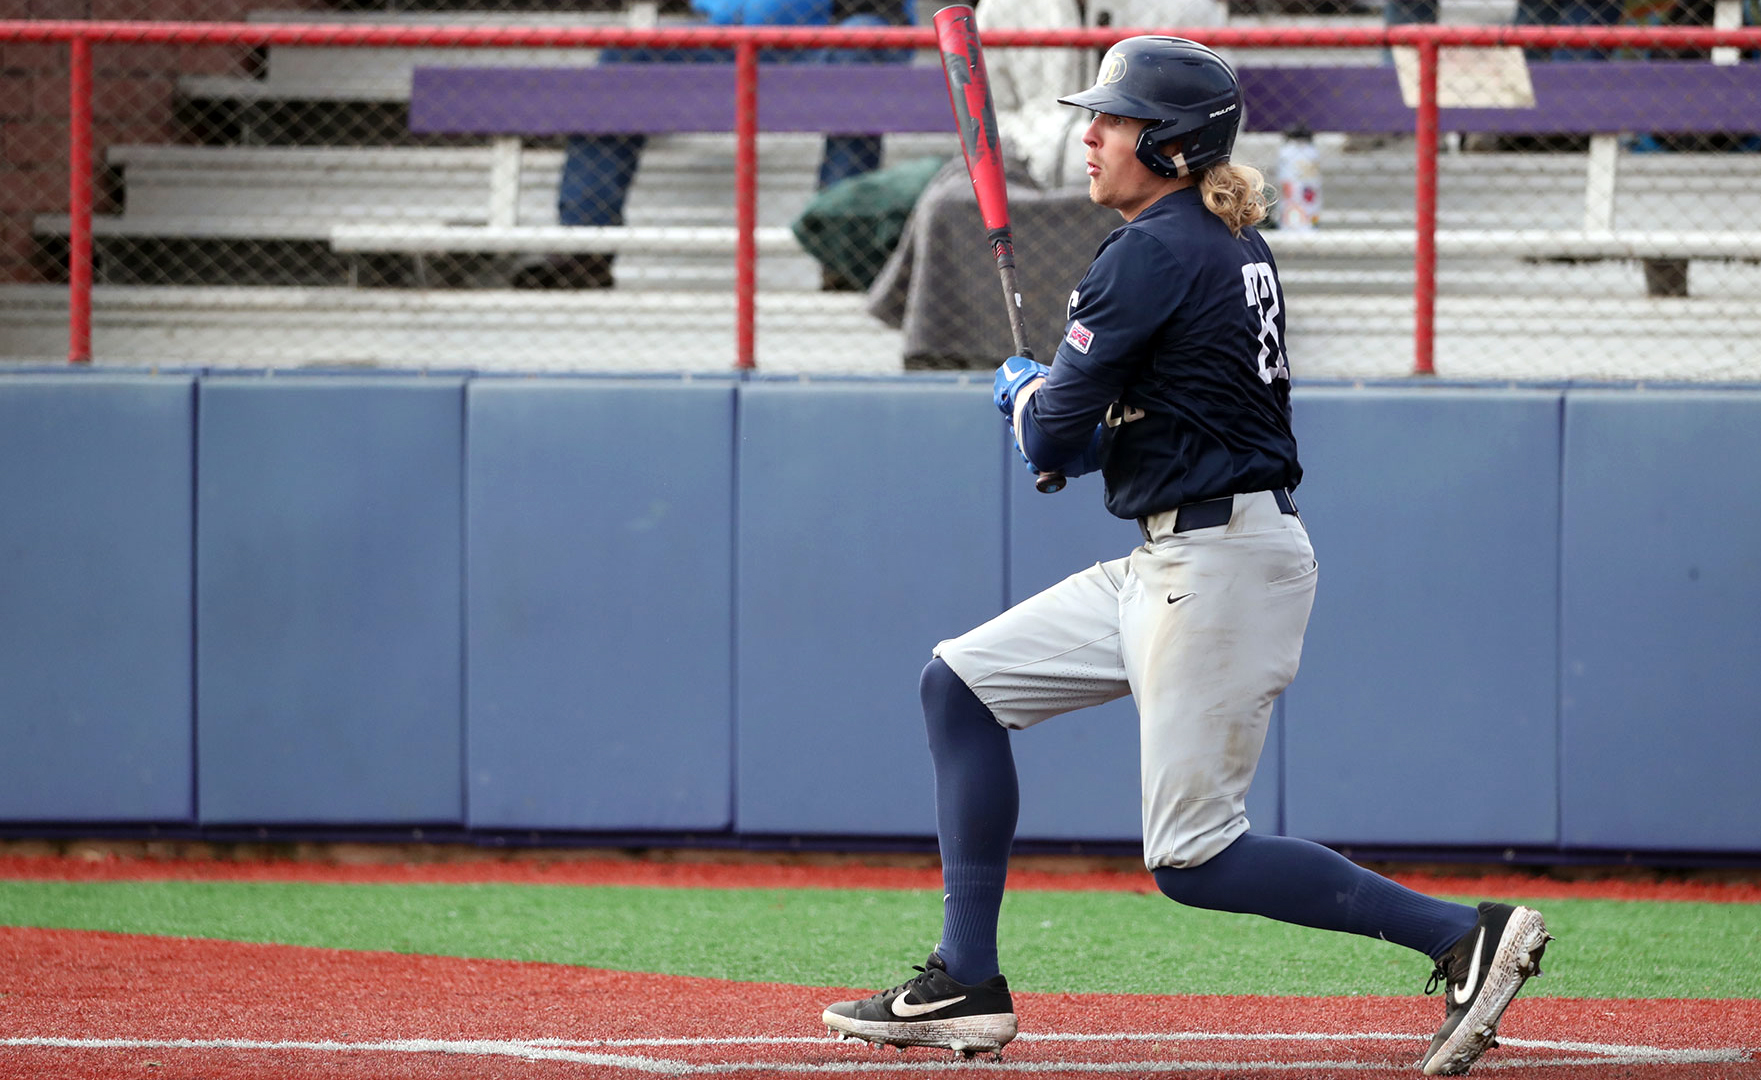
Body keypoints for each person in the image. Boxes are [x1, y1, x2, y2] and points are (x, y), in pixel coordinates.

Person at [819, 36, 1553, 1077]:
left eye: (1112, 121)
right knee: (962, 685)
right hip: (1183, 555)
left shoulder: (1155, 250)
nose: (1090, 136)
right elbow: (1104, 428)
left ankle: (1461, 935)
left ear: (1167, 145)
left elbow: (1049, 441)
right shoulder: (1212, 239)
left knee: (1196, 856)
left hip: (1216, 565)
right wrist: (1062, 409)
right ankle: (965, 982)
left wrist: (1022, 393)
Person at [513, 0, 909, 289]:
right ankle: (585, 248)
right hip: (729, 40)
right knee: (626, 52)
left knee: (859, 46)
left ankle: (846, 248)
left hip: (825, 39)